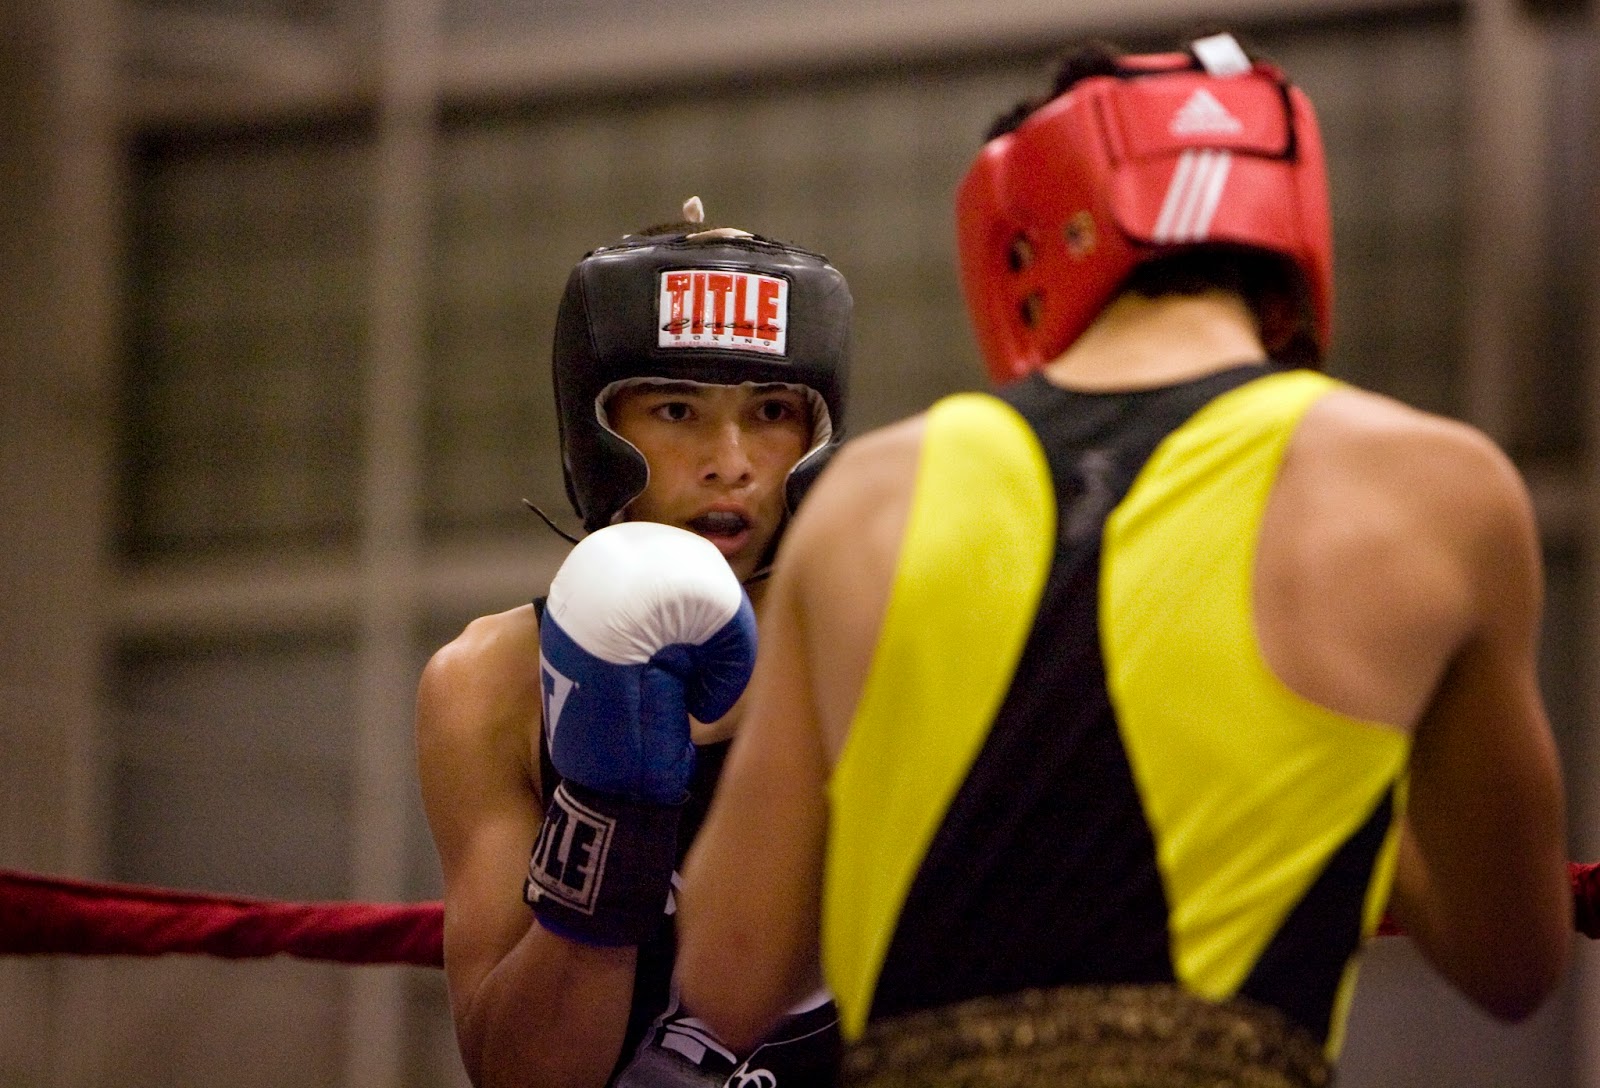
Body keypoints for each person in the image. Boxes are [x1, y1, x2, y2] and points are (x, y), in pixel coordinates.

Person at [675, 34, 1573, 1087]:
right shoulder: (1432, 488)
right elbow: (1515, 962)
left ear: (1020, 235)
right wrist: (1338, 762)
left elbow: (731, 973)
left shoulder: (873, 495)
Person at [416, 204, 848, 1088]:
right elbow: (520, 1076)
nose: (730, 461)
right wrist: (611, 830)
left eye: (770, 410)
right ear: (598, 432)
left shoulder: (880, 644)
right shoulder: (492, 685)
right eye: (676, 409)